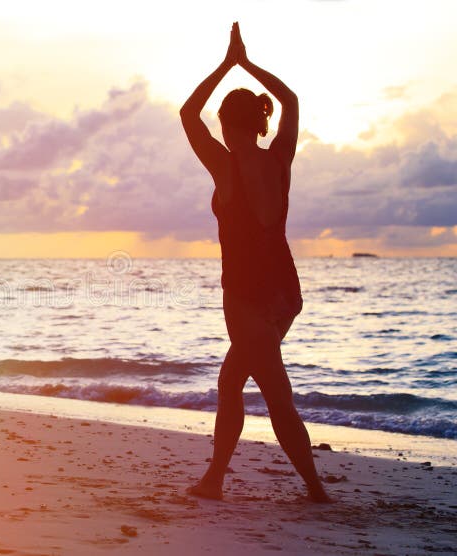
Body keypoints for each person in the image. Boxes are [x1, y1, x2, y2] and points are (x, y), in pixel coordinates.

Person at [179, 22, 331, 503]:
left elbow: (187, 113)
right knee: (232, 381)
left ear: (226, 124)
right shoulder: (281, 158)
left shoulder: (225, 166)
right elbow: (290, 100)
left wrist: (228, 63)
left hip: (246, 294)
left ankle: (314, 489)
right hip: (285, 291)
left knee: (275, 394)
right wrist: (249, 65)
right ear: (259, 123)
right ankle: (214, 479)